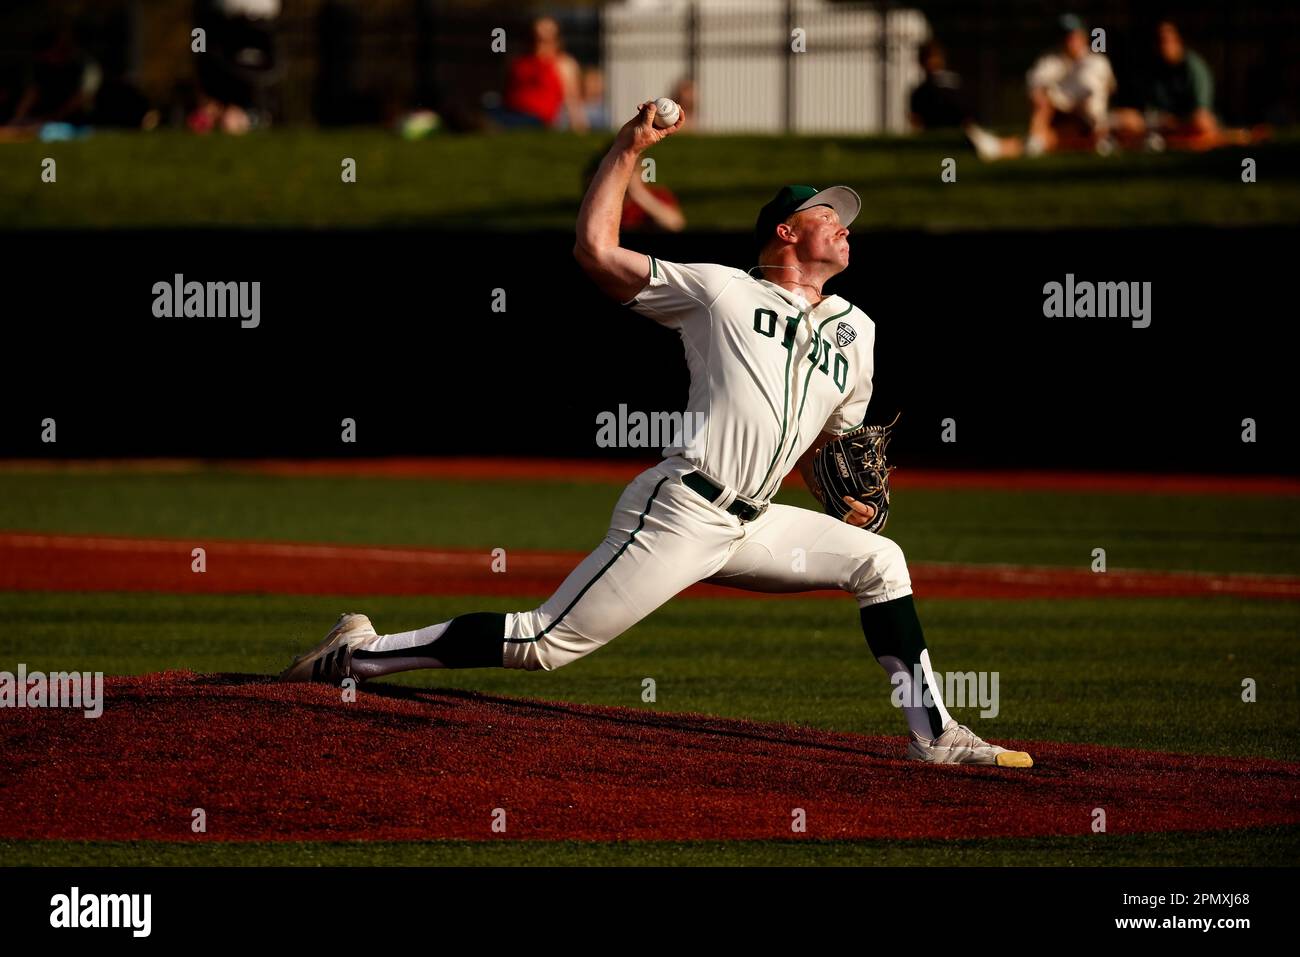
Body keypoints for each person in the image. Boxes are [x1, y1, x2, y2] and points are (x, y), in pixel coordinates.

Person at [279, 101, 1033, 769]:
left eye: (845, 216)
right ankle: (360, 652)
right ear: (785, 230)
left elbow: (823, 447)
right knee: (544, 644)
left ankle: (932, 732)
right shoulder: (722, 290)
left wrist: (845, 500)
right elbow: (596, 252)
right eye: (826, 212)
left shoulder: (857, 330)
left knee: (881, 559)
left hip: (756, 520)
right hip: (684, 507)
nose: (842, 223)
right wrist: (628, 150)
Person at [966, 13, 1115, 159]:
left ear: (1083, 36)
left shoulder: (1096, 62)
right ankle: (1025, 143)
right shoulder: (1051, 59)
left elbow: (1088, 95)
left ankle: (1002, 147)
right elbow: (1036, 84)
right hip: (1065, 121)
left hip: (1092, 123)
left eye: (1073, 35)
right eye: (1065, 35)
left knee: (1131, 122)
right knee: (1044, 105)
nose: (1069, 40)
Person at [1112, 20, 1258, 151]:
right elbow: (1144, 109)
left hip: (1185, 123)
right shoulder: (1149, 68)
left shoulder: (1193, 67)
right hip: (1159, 123)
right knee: (1125, 120)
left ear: (1178, 41)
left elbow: (1201, 111)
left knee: (1201, 122)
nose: (1163, 46)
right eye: (1159, 41)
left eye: (1167, 41)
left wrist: (1174, 122)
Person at [498, 16, 587, 131]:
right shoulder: (519, 60)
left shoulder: (563, 63)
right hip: (508, 111)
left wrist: (578, 125)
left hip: (535, 118)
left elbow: (572, 99)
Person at [909, 40, 967, 130]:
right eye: (928, 58)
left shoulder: (953, 85)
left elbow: (965, 114)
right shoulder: (919, 92)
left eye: (934, 58)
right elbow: (916, 121)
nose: (931, 62)